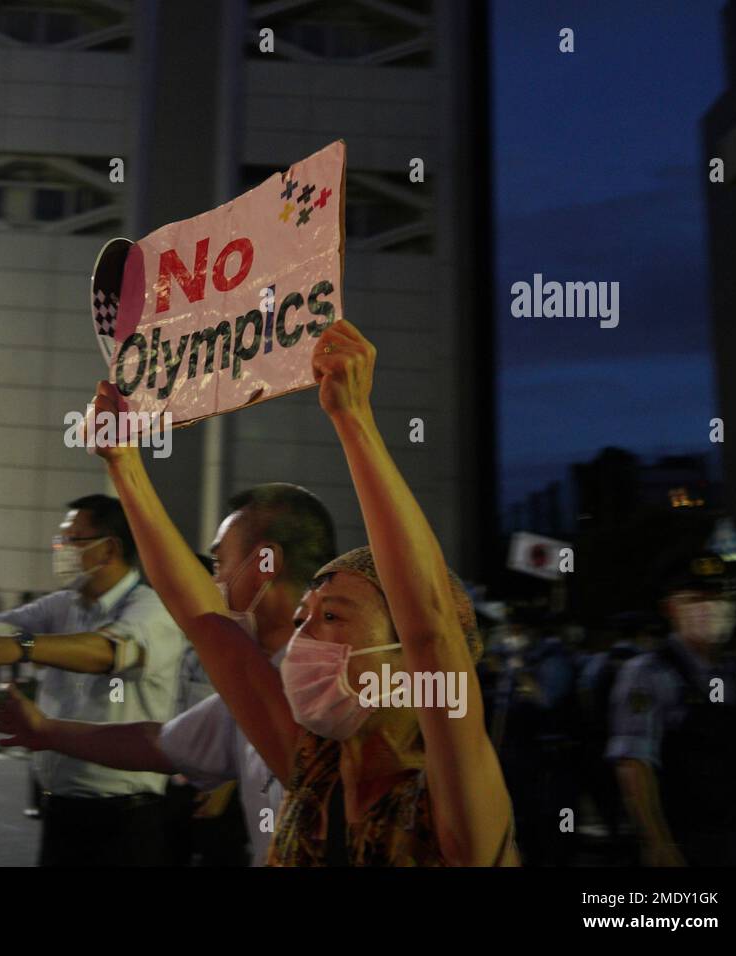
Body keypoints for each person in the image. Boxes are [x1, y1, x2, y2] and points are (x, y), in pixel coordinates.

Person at [73, 317, 518, 865]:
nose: (305, 636)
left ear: (406, 663)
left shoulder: (453, 812)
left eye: (332, 617)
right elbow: (204, 622)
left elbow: (431, 628)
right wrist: (123, 465)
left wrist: (353, 418)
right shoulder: (314, 775)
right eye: (306, 615)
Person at [0, 485, 336, 866]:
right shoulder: (255, 682)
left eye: (218, 564)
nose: (211, 583)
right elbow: (159, 743)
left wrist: (127, 471)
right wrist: (45, 731)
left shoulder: (332, 679)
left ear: (265, 564)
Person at [0, 494, 186, 866]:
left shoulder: (150, 608)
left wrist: (22, 647)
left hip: (124, 818)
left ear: (109, 548)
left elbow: (107, 653)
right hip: (62, 809)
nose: (59, 549)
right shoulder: (64, 605)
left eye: (71, 540)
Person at [609, 550, 736, 865]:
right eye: (695, 598)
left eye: (719, 596)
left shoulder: (735, 671)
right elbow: (634, 763)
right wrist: (658, 844)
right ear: (670, 608)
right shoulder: (648, 673)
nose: (711, 607)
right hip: (685, 842)